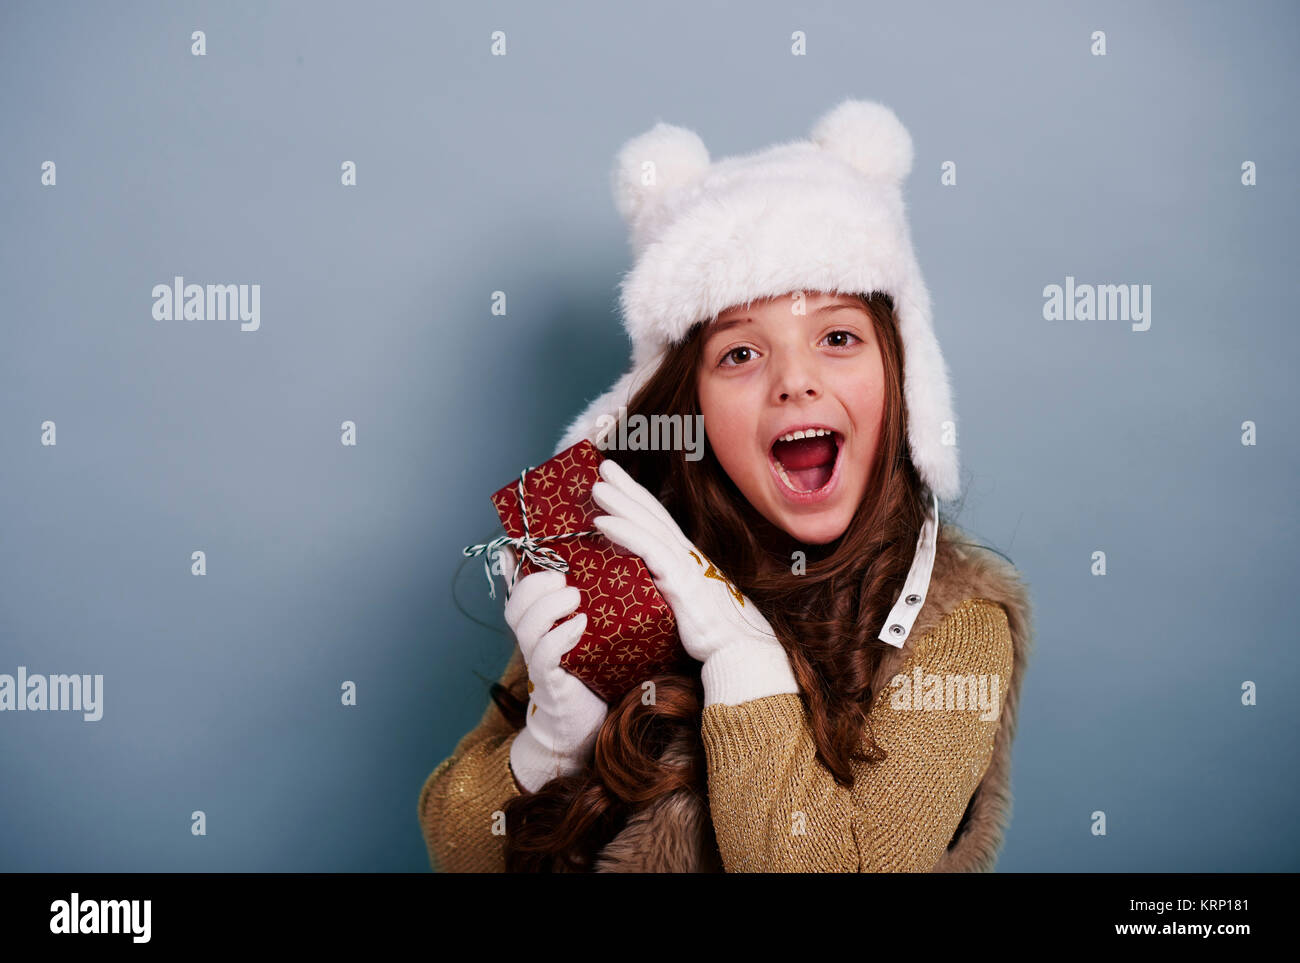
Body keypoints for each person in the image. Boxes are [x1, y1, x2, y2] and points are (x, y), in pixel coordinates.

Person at [419, 99, 1034, 872]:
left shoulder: (959, 622)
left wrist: (739, 655)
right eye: (741, 355)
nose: (794, 384)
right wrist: (546, 746)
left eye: (838, 337)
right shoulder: (624, 562)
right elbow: (454, 842)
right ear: (691, 403)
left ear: (902, 376)